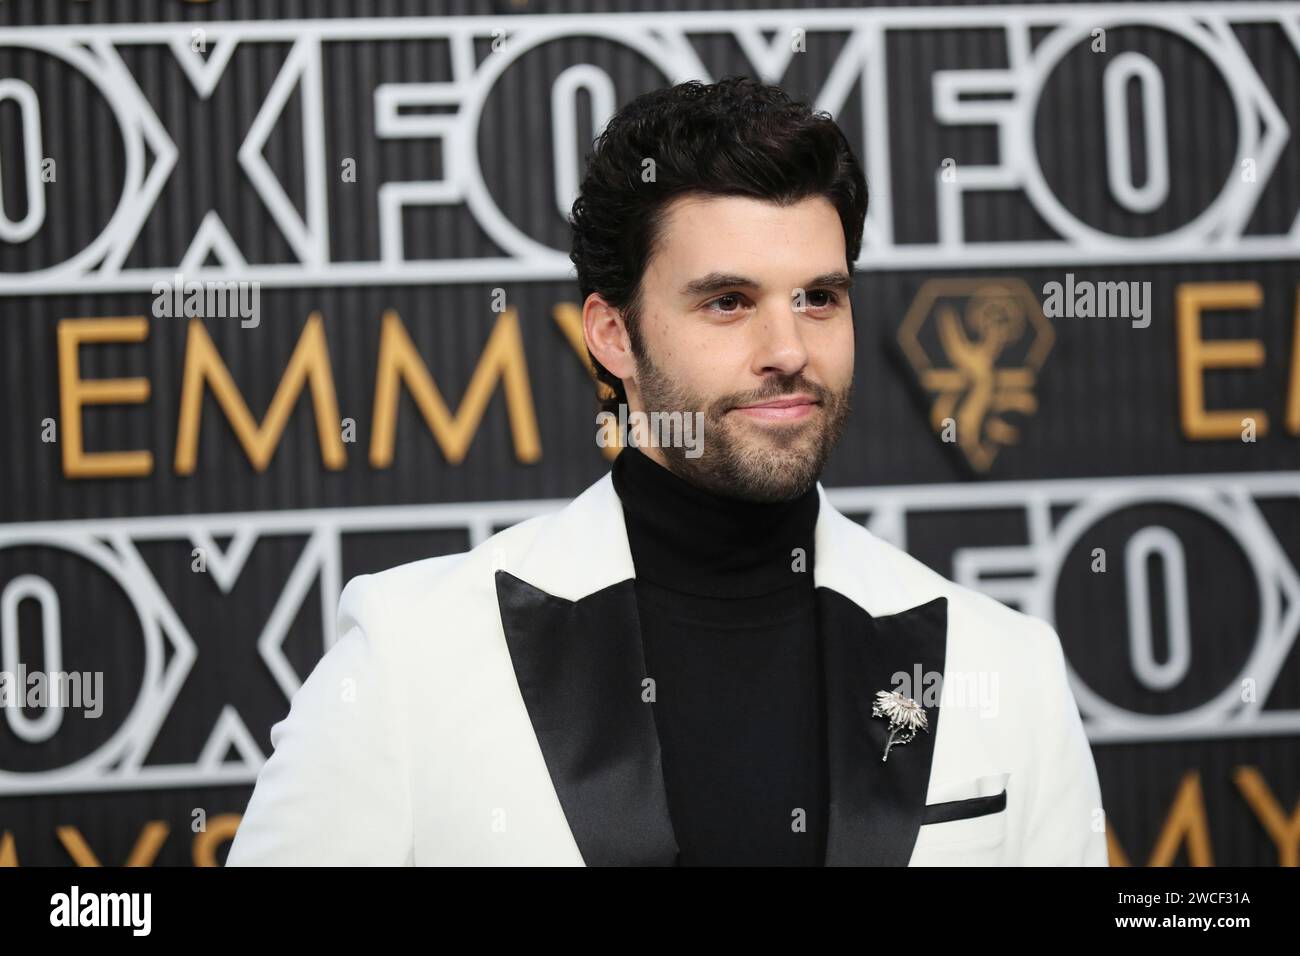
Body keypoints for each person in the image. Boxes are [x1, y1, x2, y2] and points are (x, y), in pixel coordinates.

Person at [227, 76, 1107, 866]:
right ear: (613, 336)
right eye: (728, 303)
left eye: (820, 298)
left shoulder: (1006, 664)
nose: (789, 350)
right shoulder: (412, 656)